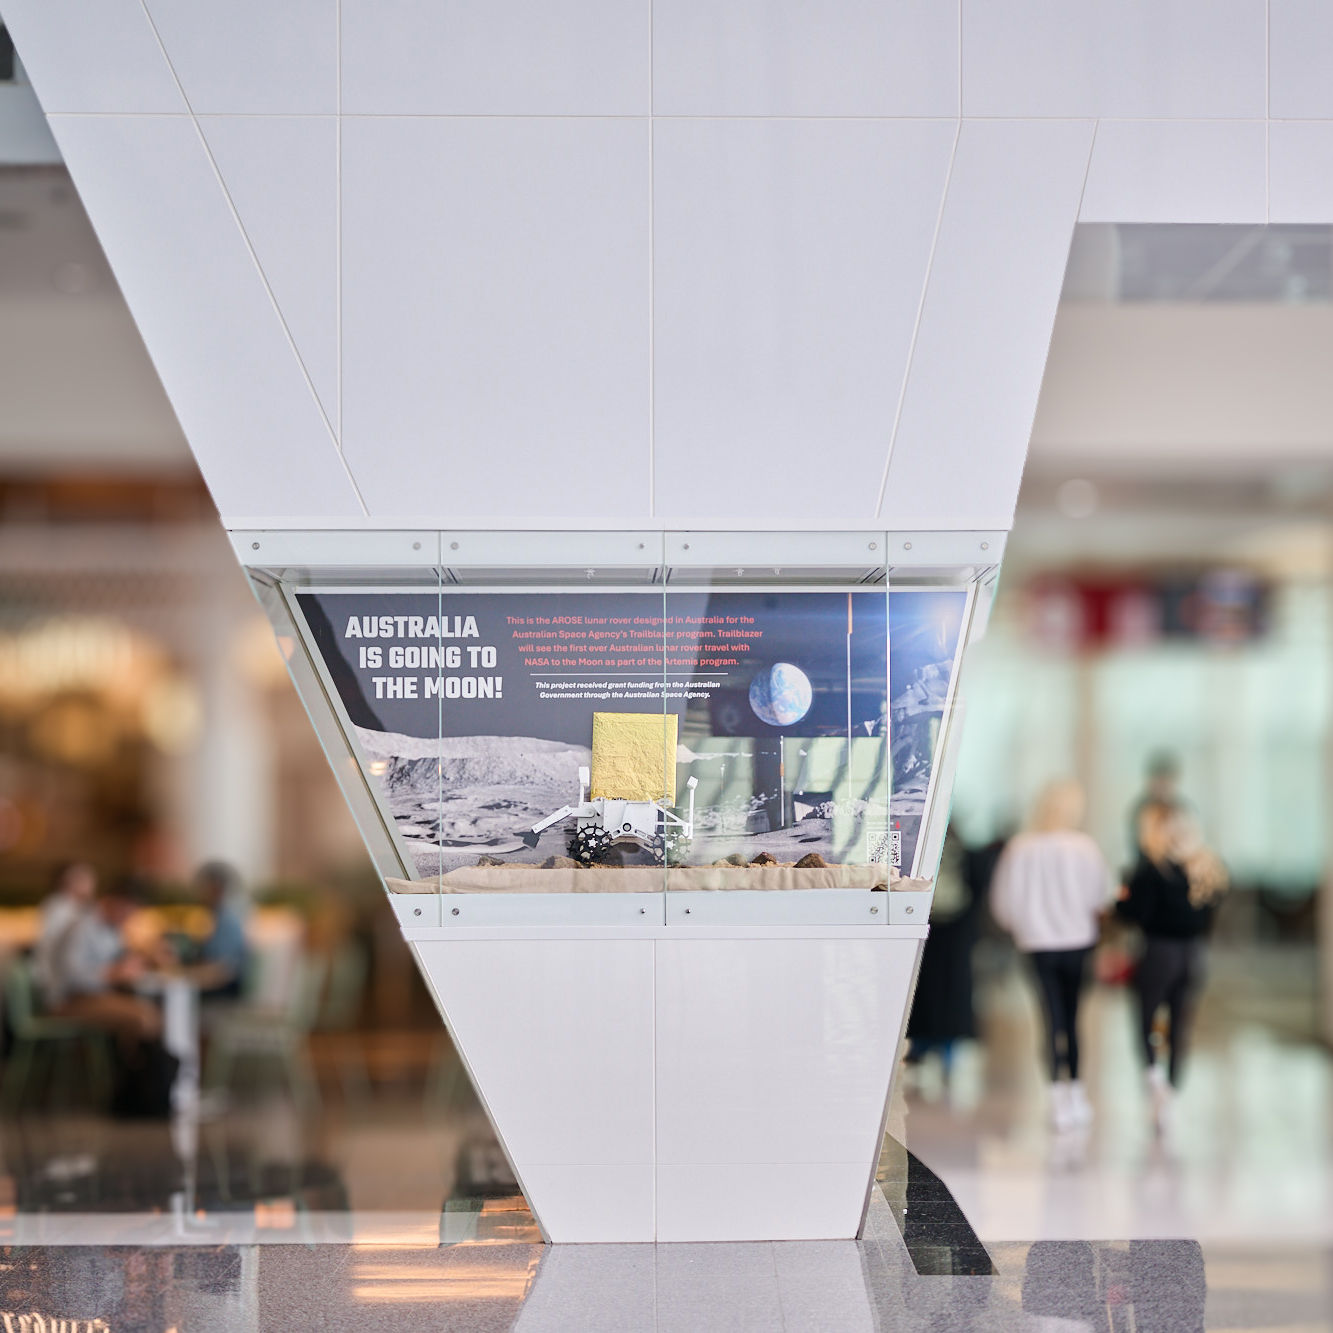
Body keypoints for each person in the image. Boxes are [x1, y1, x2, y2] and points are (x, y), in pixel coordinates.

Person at [990, 780, 1114, 1131]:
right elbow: (1101, 899)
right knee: (1073, 1020)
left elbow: (1003, 903)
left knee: (1050, 1018)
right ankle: (1076, 1093)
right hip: (1078, 942)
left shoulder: (1020, 848)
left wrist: (1024, 926)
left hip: (1037, 945)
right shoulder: (1085, 848)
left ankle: (1058, 1098)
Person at [1117, 801, 1227, 1123]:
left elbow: (1137, 915)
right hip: (1194, 955)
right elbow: (1208, 919)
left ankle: (1154, 1081)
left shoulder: (1152, 869)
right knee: (1179, 1024)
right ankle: (1174, 1093)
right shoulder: (1206, 867)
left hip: (1158, 951)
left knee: (1146, 1020)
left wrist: (1122, 900)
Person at [48, 884, 162, 1047]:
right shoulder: (82, 926)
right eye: (128, 910)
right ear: (113, 901)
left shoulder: (112, 928)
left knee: (151, 1014)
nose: (129, 917)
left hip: (96, 997)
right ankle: (141, 1070)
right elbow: (71, 978)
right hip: (69, 1001)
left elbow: (117, 959)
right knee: (144, 1019)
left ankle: (138, 1068)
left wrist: (141, 959)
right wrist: (111, 974)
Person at [32, 860, 98, 1009]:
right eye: (82, 878)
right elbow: (54, 949)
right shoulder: (58, 906)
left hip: (73, 981)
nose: (90, 883)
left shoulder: (81, 908)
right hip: (59, 986)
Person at [189, 861, 249, 999]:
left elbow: (223, 969)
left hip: (226, 990)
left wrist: (190, 975)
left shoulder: (228, 919)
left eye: (204, 886)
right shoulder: (214, 915)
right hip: (217, 983)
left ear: (217, 887)